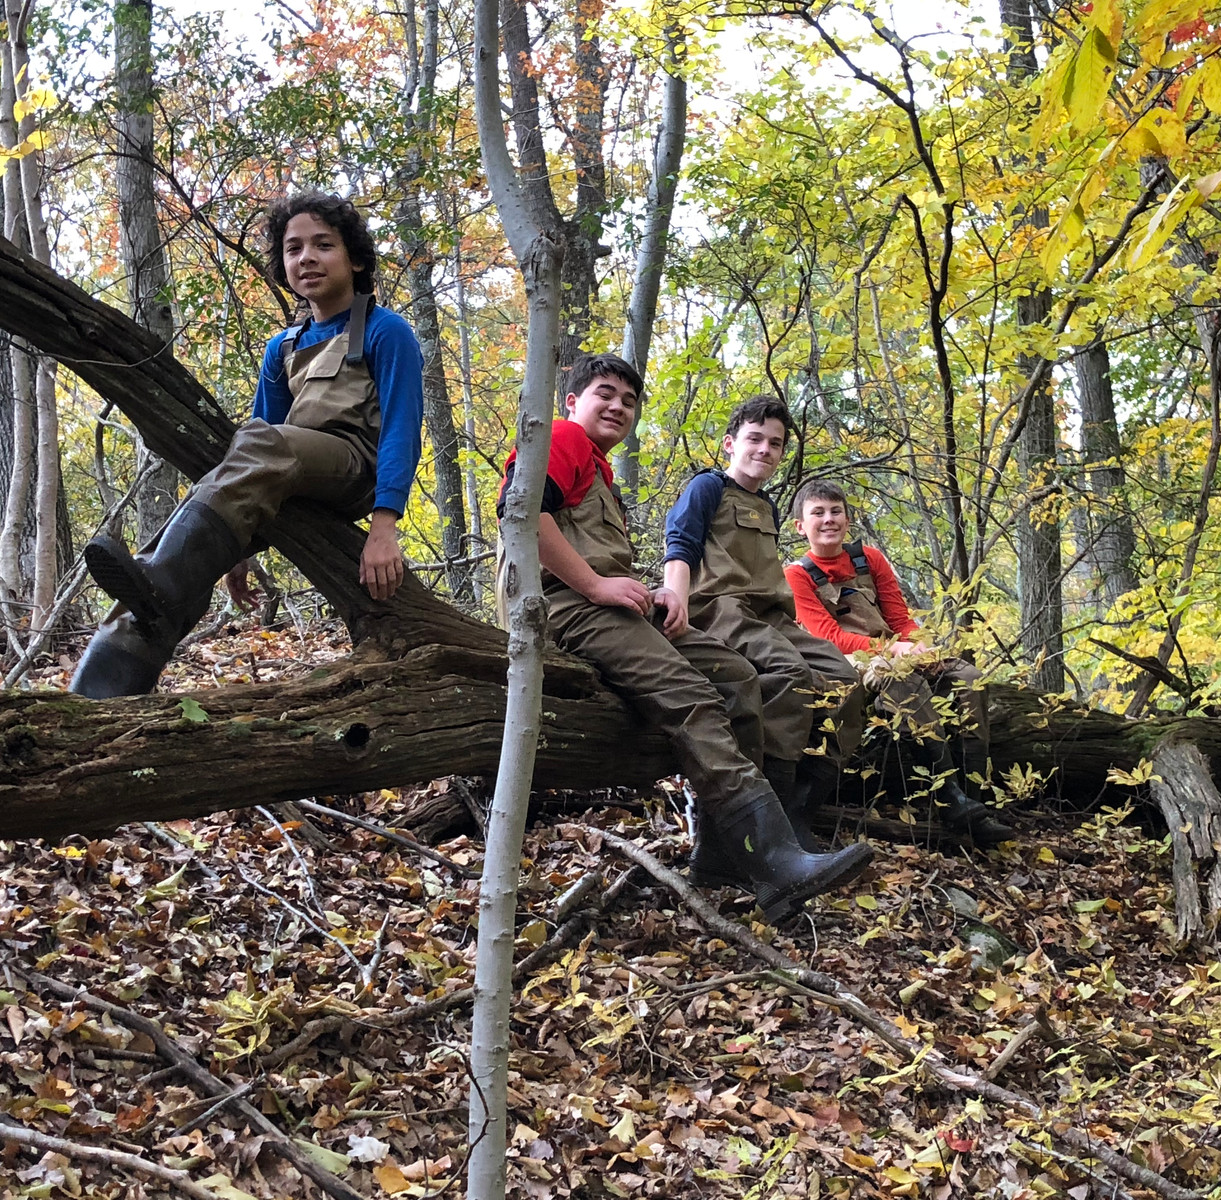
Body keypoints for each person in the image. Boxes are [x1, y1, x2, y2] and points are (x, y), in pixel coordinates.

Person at [498, 355, 871, 921]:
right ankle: (773, 858)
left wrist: (655, 594)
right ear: (572, 401)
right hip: (561, 604)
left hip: (602, 600)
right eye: (605, 394)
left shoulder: (600, 470)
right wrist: (597, 584)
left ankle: (722, 854)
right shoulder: (565, 437)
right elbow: (519, 513)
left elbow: (588, 545)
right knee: (694, 693)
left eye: (628, 400)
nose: (618, 407)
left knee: (739, 676)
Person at [70, 191, 422, 699]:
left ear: (356, 258)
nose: (306, 258)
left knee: (260, 444)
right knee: (152, 585)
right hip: (287, 469)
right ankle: (100, 692)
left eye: (323, 245)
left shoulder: (386, 331)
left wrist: (384, 526)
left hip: (353, 469)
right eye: (293, 248)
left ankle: (161, 585)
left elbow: (401, 429)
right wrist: (236, 551)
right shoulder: (283, 346)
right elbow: (250, 452)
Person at [660, 396, 867, 857]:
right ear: (731, 443)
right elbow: (681, 545)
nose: (765, 450)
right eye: (755, 439)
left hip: (771, 615)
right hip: (719, 607)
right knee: (788, 675)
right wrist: (676, 605)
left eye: (775, 444)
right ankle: (769, 821)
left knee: (844, 680)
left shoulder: (768, 507)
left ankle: (802, 807)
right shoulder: (706, 488)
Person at [786, 478, 1013, 846]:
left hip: (897, 651)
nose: (829, 520)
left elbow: (899, 617)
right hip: (847, 663)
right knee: (901, 677)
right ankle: (950, 798)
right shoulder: (796, 575)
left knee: (970, 677)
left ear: (847, 518)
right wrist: (894, 652)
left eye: (836, 511)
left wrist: (919, 647)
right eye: (818, 513)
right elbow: (829, 637)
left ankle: (977, 797)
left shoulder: (869, 558)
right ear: (801, 526)